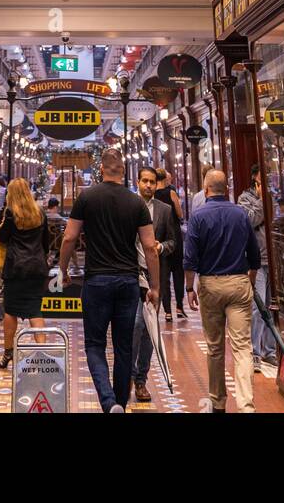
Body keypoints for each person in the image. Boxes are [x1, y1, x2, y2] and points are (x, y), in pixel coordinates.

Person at [59, 148, 159, 414]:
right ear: (124, 172)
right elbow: (150, 247)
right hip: (128, 282)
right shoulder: (136, 203)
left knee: (94, 344)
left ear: (100, 170)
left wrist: (62, 269)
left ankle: (108, 402)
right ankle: (120, 405)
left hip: (97, 282)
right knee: (124, 347)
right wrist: (156, 287)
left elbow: (69, 238)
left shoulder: (87, 197)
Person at [184, 168, 260, 414]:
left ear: (206, 190)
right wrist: (249, 279)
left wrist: (189, 288)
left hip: (211, 285)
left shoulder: (198, 216)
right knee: (242, 347)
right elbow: (255, 254)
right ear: (226, 189)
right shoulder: (240, 214)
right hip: (239, 283)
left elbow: (190, 258)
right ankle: (246, 406)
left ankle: (218, 403)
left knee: (215, 347)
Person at [0, 177, 50, 370]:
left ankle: (8, 352)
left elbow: (2, 238)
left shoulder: (11, 213)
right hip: (36, 268)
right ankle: (42, 353)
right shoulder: (40, 212)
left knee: (10, 311)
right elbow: (46, 242)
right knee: (35, 310)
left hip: (16, 269)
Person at [132, 165, 175, 403]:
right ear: (137, 182)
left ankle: (141, 380)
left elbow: (173, 242)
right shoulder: (129, 207)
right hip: (133, 274)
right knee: (136, 325)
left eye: (152, 182)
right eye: (144, 181)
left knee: (150, 330)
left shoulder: (165, 210)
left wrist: (160, 247)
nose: (148, 185)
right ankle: (129, 374)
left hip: (155, 276)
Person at [238, 165, 277, 370]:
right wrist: (263, 200)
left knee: (272, 307)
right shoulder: (244, 199)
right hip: (257, 262)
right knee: (257, 307)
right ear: (255, 178)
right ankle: (254, 351)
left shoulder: (275, 196)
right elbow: (250, 220)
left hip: (274, 260)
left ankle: (269, 350)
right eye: (265, 175)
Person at [155, 168, 186, 322]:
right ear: (165, 179)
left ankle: (167, 311)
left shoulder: (153, 195)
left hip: (160, 238)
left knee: (164, 276)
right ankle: (179, 307)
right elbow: (180, 214)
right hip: (174, 236)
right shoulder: (171, 193)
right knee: (178, 272)